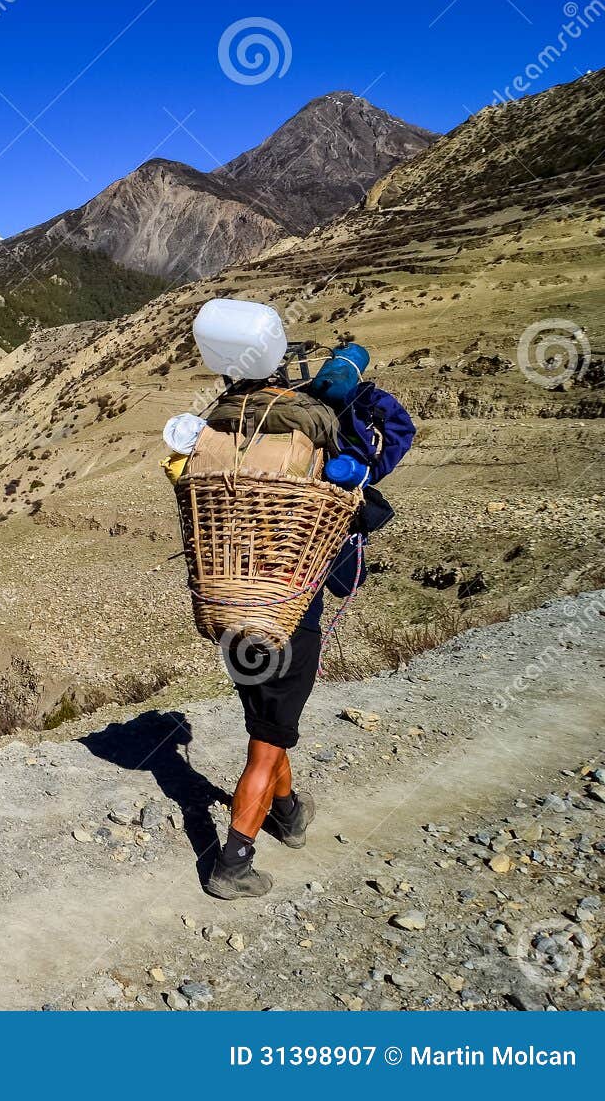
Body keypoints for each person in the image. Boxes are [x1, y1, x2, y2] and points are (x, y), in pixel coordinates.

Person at [202, 342, 415, 901]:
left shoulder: (238, 464)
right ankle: (233, 863)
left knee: (267, 727)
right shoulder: (327, 459)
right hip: (291, 620)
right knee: (264, 744)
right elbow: (398, 436)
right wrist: (361, 393)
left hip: (233, 613)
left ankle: (288, 811)